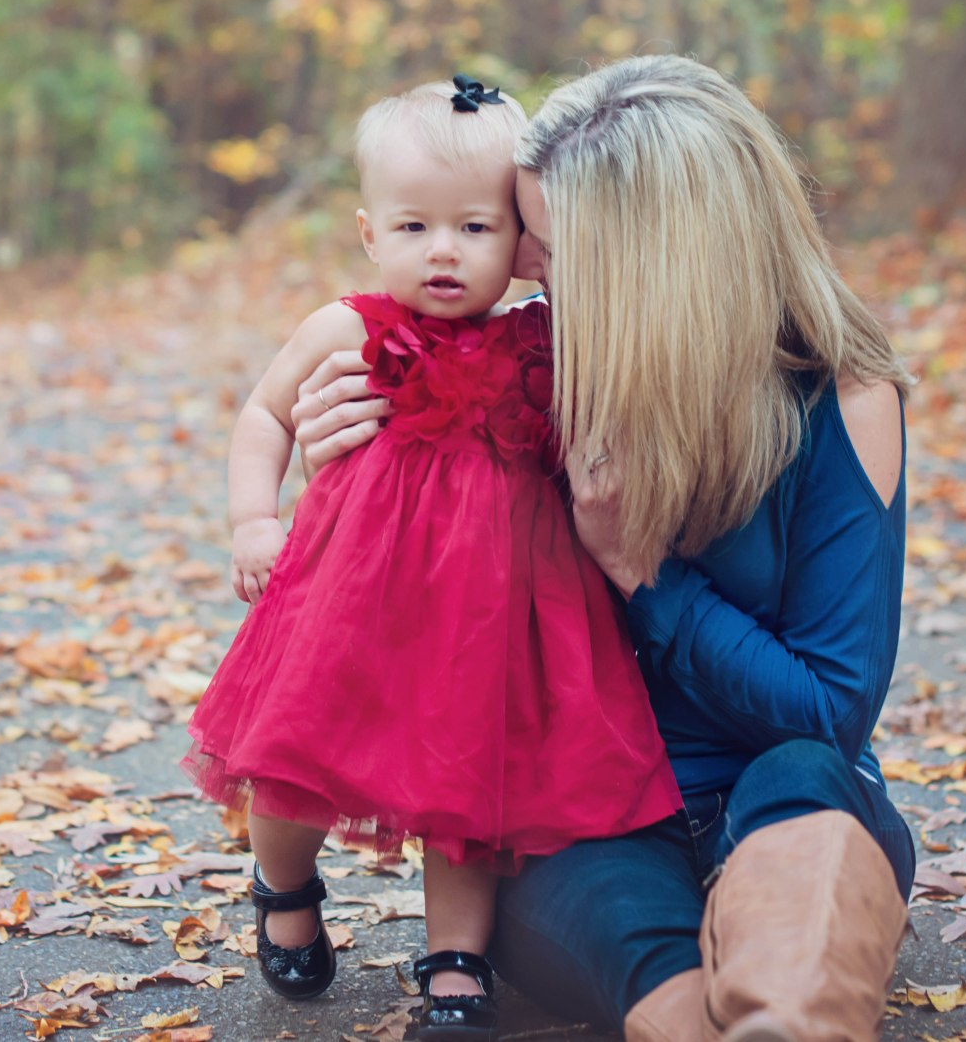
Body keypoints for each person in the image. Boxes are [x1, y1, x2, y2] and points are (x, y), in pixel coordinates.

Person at [288, 55, 914, 1042]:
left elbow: (827, 712)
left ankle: (794, 1016)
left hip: (791, 803)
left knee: (801, 774)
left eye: (544, 239)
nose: (521, 265)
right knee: (633, 942)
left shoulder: (839, 398)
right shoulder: (516, 379)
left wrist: (638, 570)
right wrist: (344, 464)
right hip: (580, 814)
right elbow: (388, 615)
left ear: (649, 262)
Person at [184, 76, 682, 1042]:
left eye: (475, 228)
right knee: (298, 761)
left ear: (526, 244)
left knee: (471, 787)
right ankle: (283, 882)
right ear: (371, 235)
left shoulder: (549, 340)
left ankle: (455, 963)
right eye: (414, 229)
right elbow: (264, 413)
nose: (443, 251)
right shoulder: (351, 329)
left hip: (493, 618)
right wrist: (253, 521)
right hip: (354, 598)